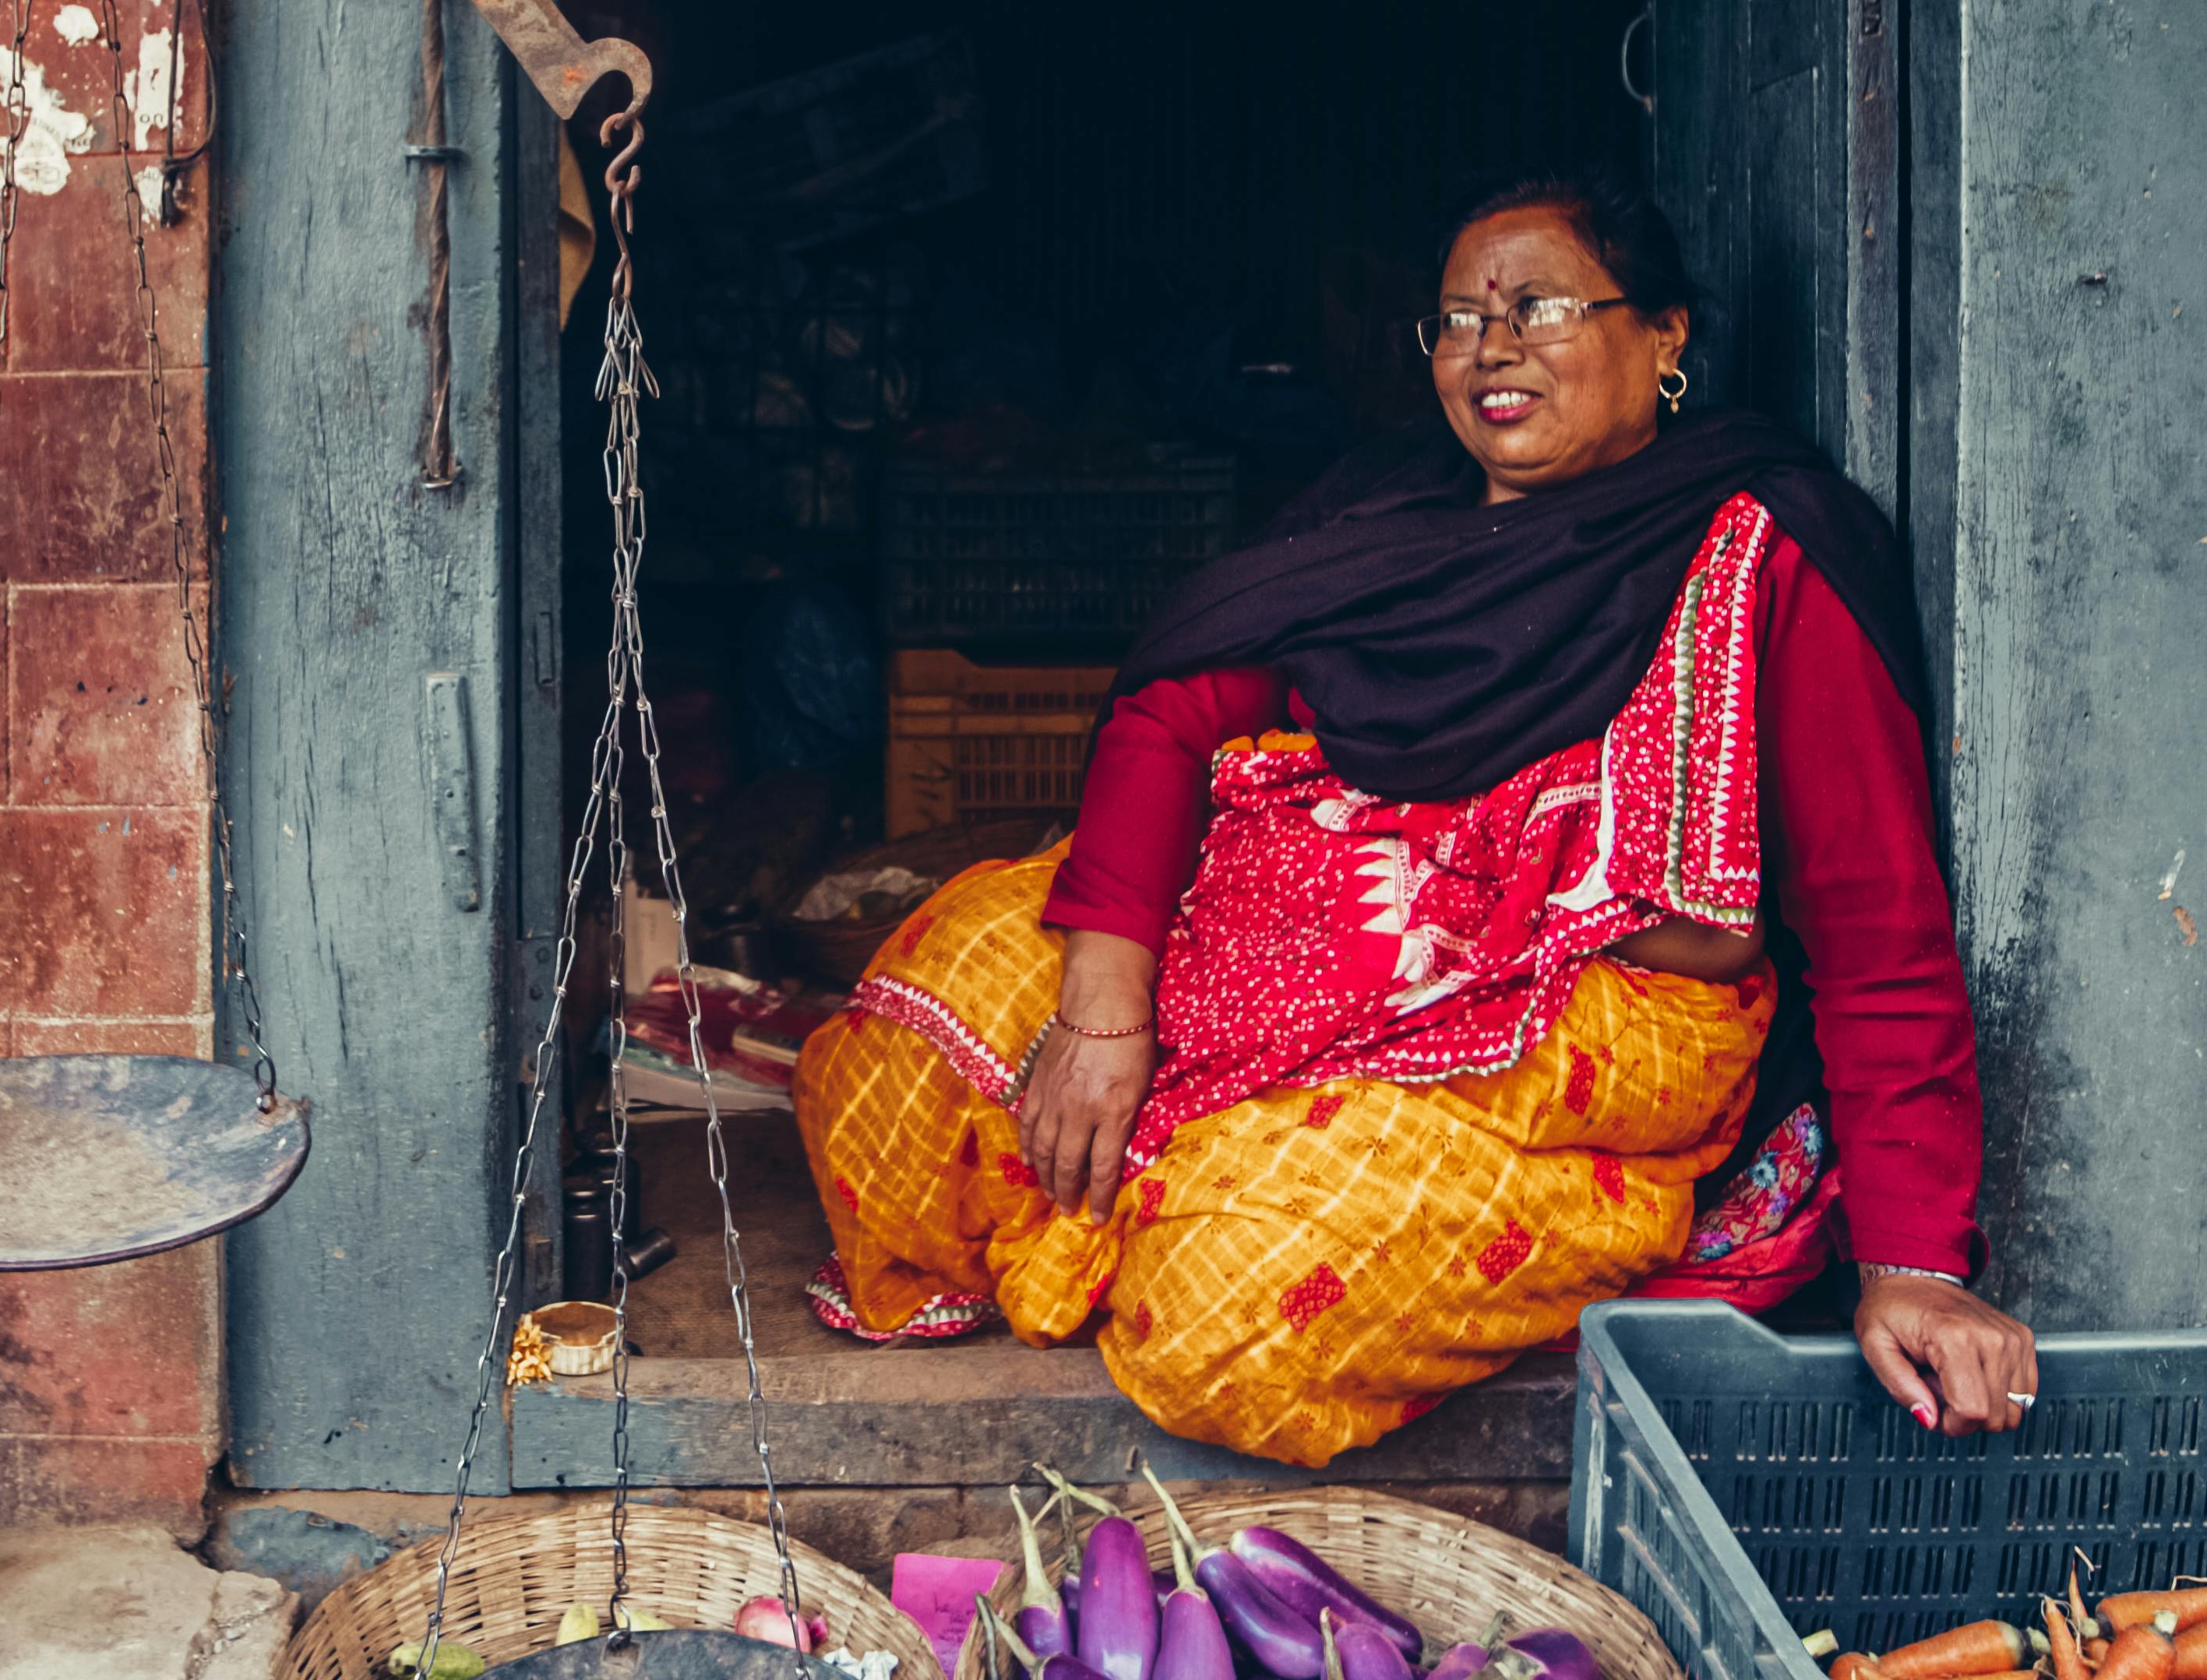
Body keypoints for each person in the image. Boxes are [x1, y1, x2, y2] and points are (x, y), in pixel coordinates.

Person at [795, 167, 2040, 1466]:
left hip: (1573, 1040)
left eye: (1541, 306)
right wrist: (1109, 1009)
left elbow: (1875, 924)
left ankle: (1212, 1189)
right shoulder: (1383, 522)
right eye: (1456, 319)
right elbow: (1170, 710)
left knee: (1227, 1310)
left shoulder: (1762, 551)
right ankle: (1185, 1160)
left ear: (1665, 334)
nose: (1490, 349)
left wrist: (1912, 1260)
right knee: (920, 1037)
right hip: (1298, 912)